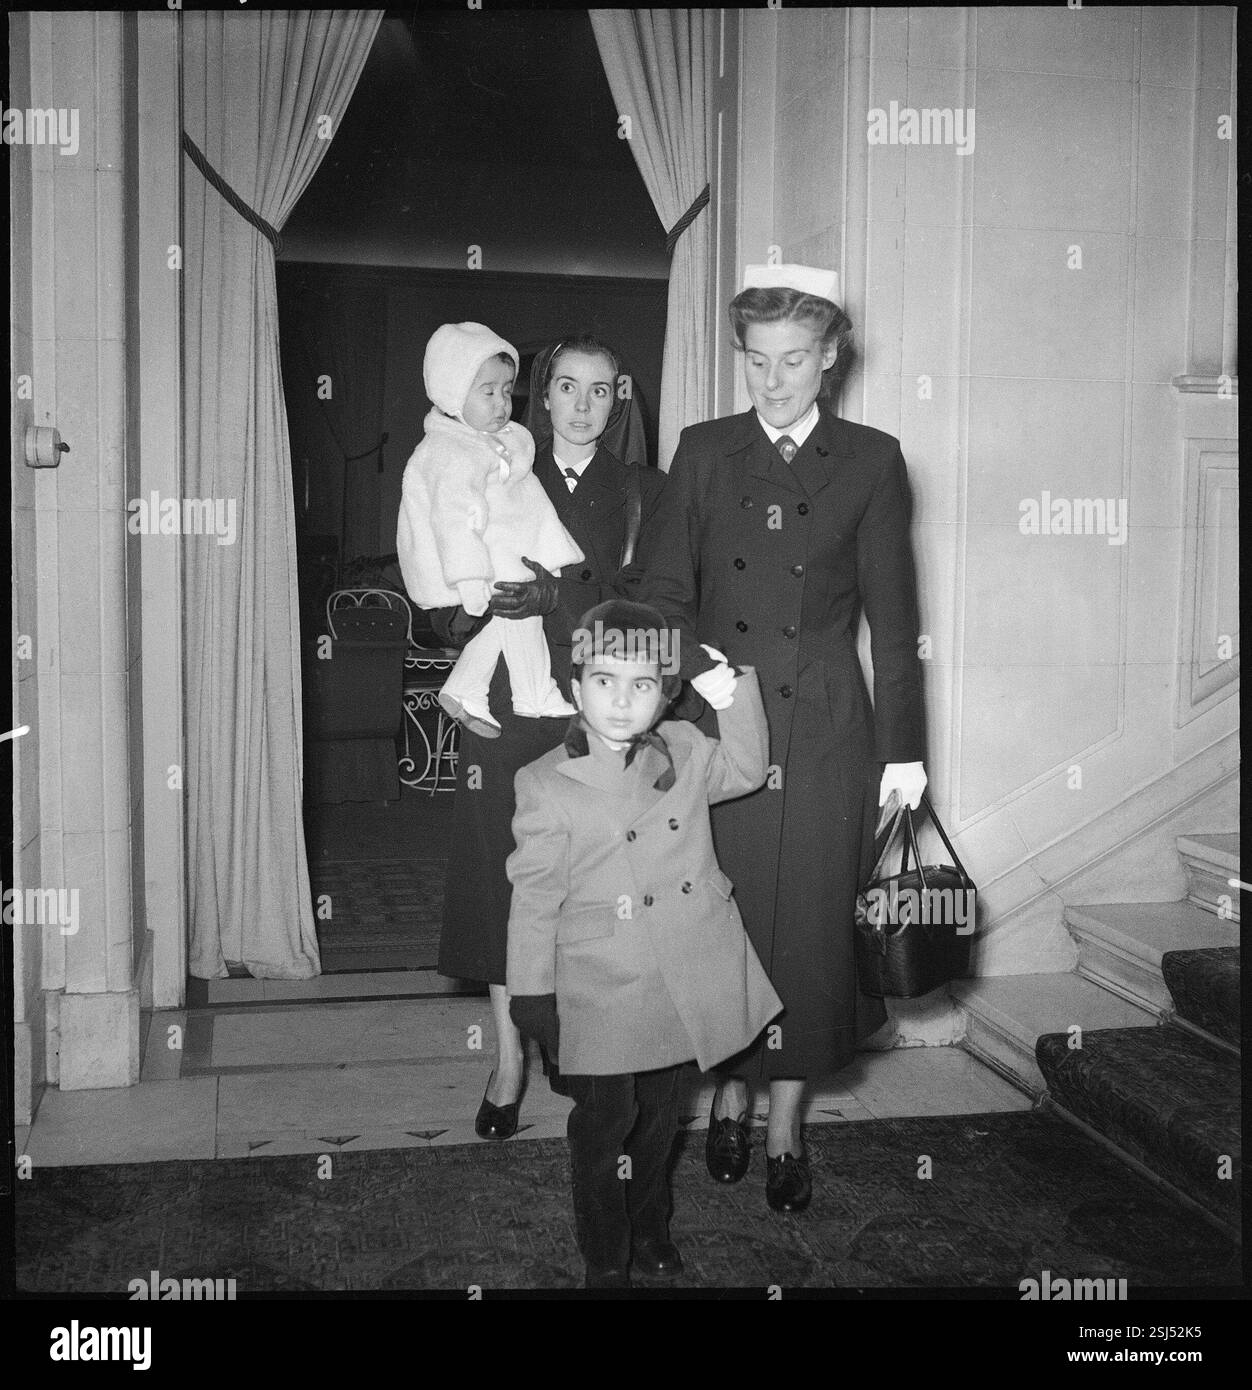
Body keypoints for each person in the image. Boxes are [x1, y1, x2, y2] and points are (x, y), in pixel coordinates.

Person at [637, 263, 928, 1212]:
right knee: (724, 920)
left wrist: (905, 756)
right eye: (757, 361)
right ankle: (725, 1094)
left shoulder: (875, 460)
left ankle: (787, 1122)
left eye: (794, 360)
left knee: (807, 933)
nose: (773, 381)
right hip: (721, 733)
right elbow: (658, 600)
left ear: (831, 358)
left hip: (830, 733)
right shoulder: (705, 451)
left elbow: (894, 627)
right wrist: (702, 673)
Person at [429, 335, 668, 1141]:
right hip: (503, 704)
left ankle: (579, 1036)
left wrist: (557, 602)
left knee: (587, 881)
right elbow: (440, 578)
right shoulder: (491, 458)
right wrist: (462, 642)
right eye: (565, 386)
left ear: (619, 399)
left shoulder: (643, 491)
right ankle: (508, 1060)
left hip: (595, 709)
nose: (580, 404)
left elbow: (650, 609)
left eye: (600, 391)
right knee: (503, 879)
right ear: (541, 392)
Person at [506, 599, 783, 1288]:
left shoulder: (687, 751)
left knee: (660, 1118)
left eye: (643, 685)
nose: (622, 701)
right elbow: (534, 898)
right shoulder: (544, 782)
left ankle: (650, 1226)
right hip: (599, 985)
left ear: (666, 696)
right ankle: (606, 1253)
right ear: (575, 688)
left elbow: (748, 769)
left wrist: (728, 688)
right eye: (604, 682)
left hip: (675, 978)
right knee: (605, 1126)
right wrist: (531, 994)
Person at [396, 322, 583, 736]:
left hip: (497, 557)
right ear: (452, 393)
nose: (502, 403)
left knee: (510, 615)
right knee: (519, 610)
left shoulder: (491, 439)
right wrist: (468, 582)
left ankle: (464, 688)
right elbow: (451, 522)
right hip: (468, 568)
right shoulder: (449, 452)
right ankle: (533, 691)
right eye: (488, 392)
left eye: (506, 390)